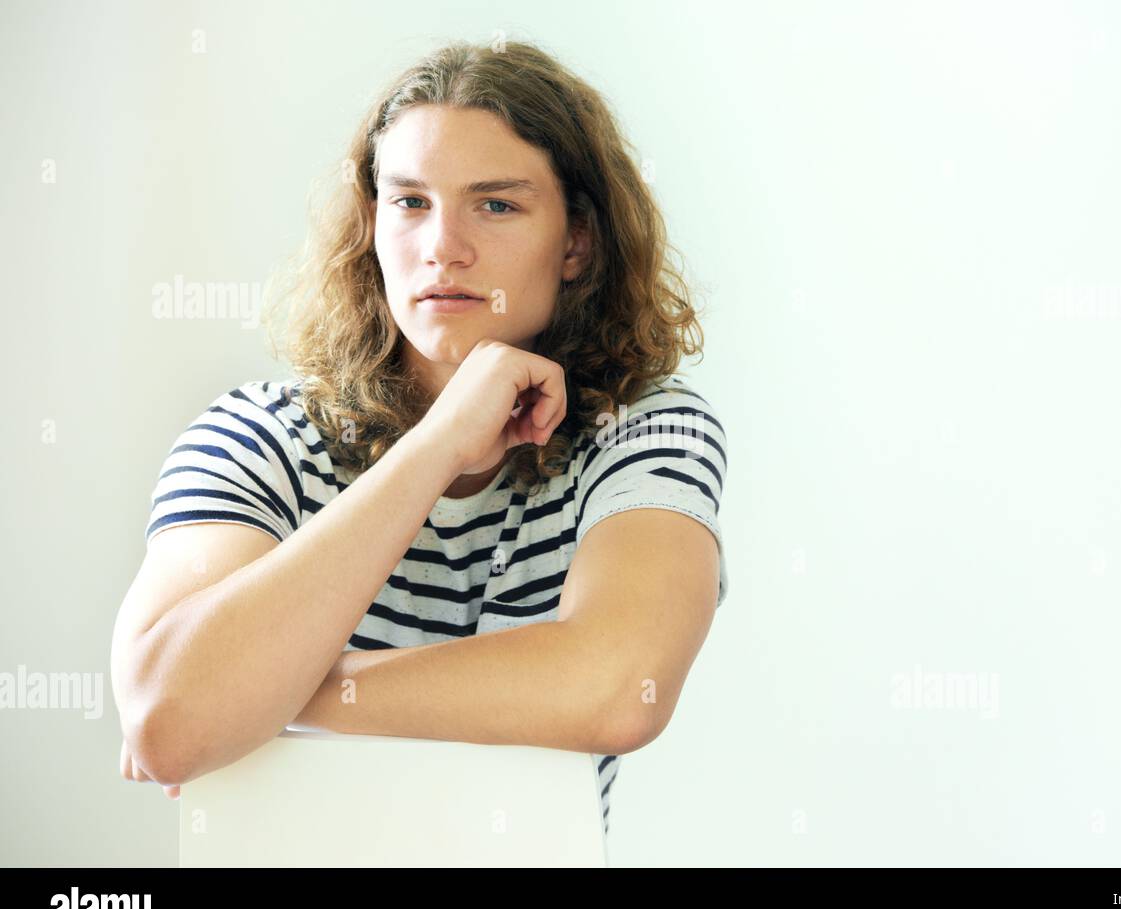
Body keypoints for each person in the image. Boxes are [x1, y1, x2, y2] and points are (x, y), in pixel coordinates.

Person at [111, 39, 728, 839]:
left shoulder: (645, 428)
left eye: (496, 204)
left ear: (576, 241)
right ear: (371, 225)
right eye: (409, 203)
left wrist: (256, 695)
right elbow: (171, 718)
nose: (443, 246)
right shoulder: (253, 435)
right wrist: (437, 445)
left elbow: (617, 688)